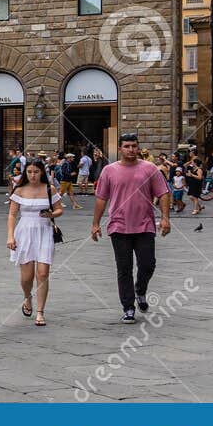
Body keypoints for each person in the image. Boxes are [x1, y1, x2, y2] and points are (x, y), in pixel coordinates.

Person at [90, 134, 172, 324]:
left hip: (145, 225)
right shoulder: (109, 171)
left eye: (134, 146)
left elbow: (164, 193)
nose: (131, 149)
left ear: (138, 148)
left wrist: (166, 219)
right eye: (127, 146)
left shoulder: (150, 168)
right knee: (124, 268)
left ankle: (140, 290)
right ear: (120, 149)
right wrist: (95, 224)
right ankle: (128, 307)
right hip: (119, 226)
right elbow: (101, 198)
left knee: (148, 264)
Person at [6, 158, 61, 327]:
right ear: (25, 173)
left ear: (42, 172)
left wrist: (51, 215)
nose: (32, 175)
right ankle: (27, 297)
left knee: (43, 273)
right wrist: (10, 236)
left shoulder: (49, 189)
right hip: (24, 231)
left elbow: (59, 209)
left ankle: (40, 312)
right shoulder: (20, 190)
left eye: (36, 172)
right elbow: (12, 215)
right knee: (27, 277)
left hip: (44, 230)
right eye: (29, 172)